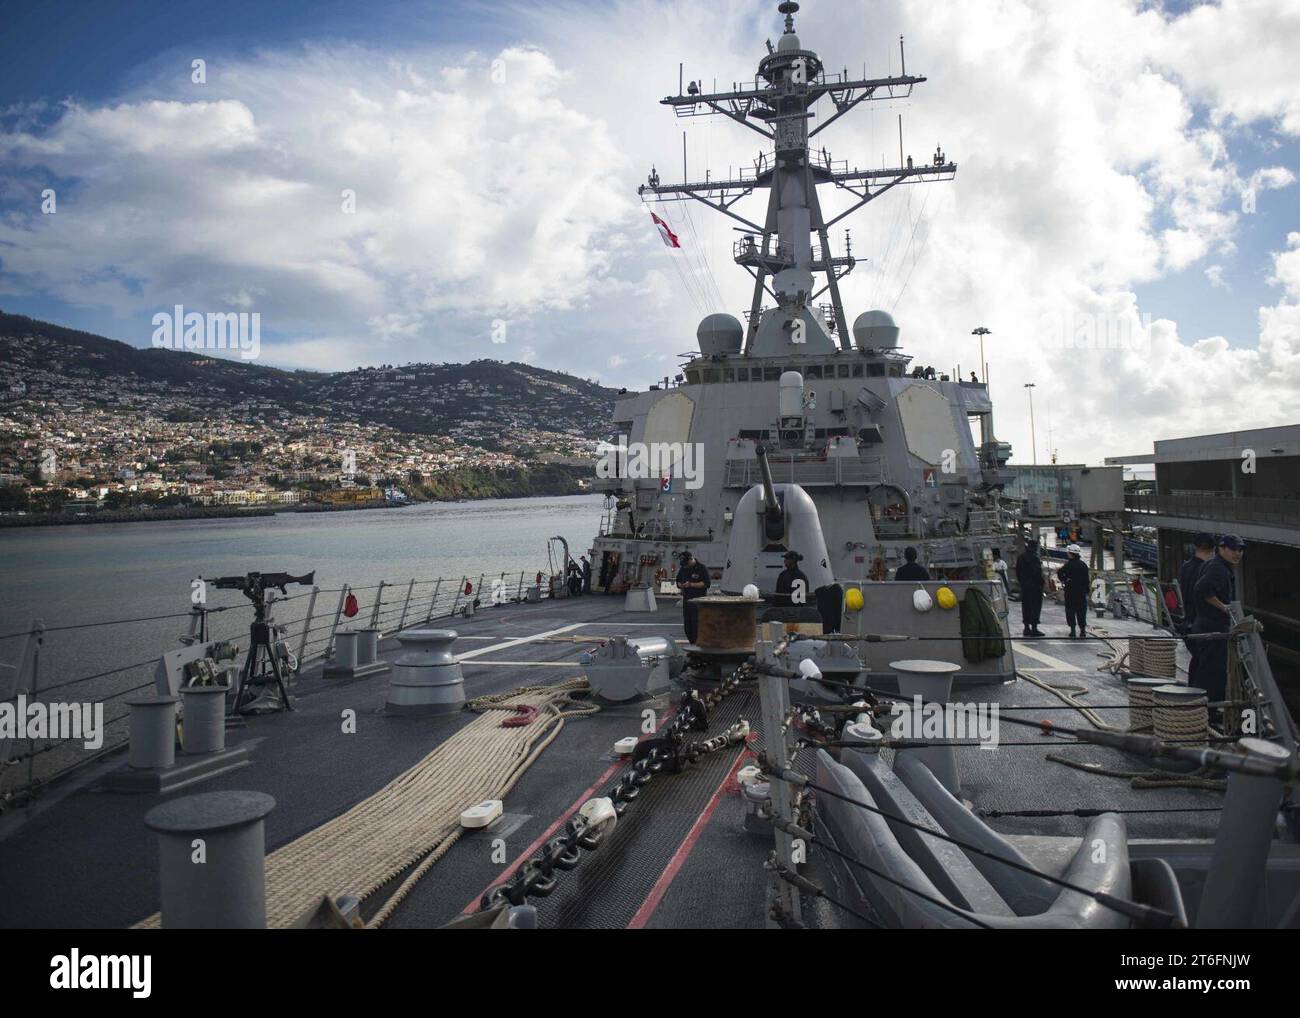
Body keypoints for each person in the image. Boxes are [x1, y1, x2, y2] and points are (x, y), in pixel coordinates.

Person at [1191, 535, 1245, 713]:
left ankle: (1198, 708)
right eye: (1233, 549)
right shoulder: (1219, 569)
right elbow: (1202, 589)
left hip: (1203, 625)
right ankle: (1209, 712)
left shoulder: (1214, 564)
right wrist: (1224, 607)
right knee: (1214, 673)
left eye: (1240, 550)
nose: (1237, 553)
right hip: (1212, 628)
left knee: (1204, 669)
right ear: (1222, 549)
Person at [1178, 533, 1216, 684]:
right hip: (1203, 623)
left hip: (1188, 622)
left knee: (1197, 661)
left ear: (1195, 547)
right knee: (1208, 665)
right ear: (1214, 549)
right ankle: (1205, 700)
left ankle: (1193, 693)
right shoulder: (1206, 569)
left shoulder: (1185, 567)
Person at [676, 550, 710, 644]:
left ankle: (699, 643)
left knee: (697, 624)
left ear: (691, 559)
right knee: (688, 624)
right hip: (687, 601)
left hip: (698, 601)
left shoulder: (701, 568)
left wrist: (691, 584)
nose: (685, 566)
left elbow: (706, 583)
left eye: (686, 563)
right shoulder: (683, 568)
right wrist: (680, 584)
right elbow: (678, 580)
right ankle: (692, 643)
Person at [1059, 544, 1090, 639]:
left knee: (1070, 611)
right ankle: (1082, 631)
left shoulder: (1068, 565)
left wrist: (1065, 579)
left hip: (1070, 592)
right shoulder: (1083, 565)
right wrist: (1087, 591)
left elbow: (1060, 574)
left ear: (1071, 554)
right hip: (1081, 592)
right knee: (1081, 611)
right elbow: (1086, 579)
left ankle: (1072, 630)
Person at [1015, 540, 1045, 637]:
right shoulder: (1035, 558)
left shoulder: (1021, 557)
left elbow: (1018, 572)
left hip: (1025, 586)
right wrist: (1041, 583)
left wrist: (1022, 582)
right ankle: (1034, 628)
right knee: (1035, 607)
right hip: (1035, 587)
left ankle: (1026, 627)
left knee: (1026, 606)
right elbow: (1037, 573)